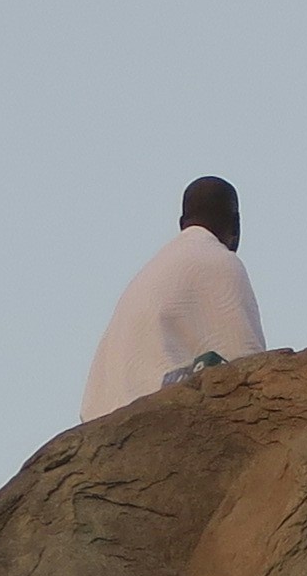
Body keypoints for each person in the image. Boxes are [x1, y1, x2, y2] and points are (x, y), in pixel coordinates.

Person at [81, 177, 265, 422]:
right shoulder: (219, 261)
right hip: (158, 417)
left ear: (182, 224)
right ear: (236, 224)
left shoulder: (152, 270)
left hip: (104, 417)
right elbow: (248, 364)